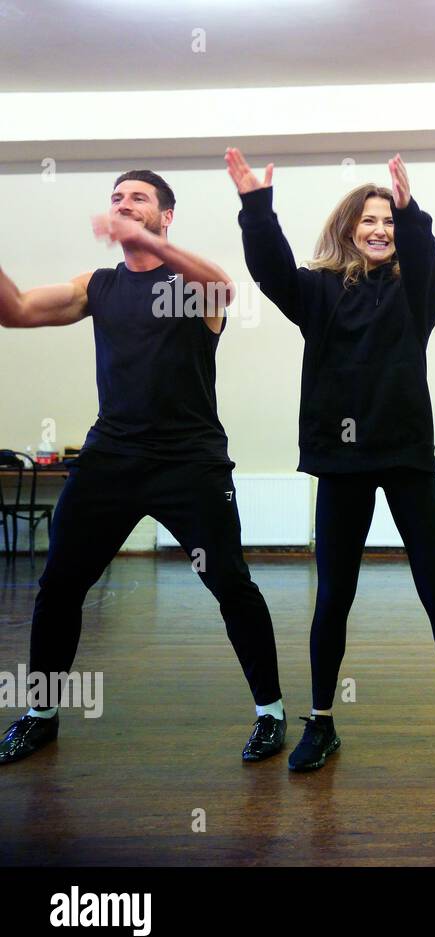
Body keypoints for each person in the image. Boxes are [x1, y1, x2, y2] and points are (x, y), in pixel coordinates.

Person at [0, 170, 286, 764]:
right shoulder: (98, 286)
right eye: (117, 199)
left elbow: (224, 288)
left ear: (166, 217)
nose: (124, 205)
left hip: (190, 463)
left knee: (230, 584)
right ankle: (41, 713)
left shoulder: (189, 286)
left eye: (138, 199)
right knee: (59, 586)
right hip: (111, 460)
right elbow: (18, 309)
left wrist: (149, 245)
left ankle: (271, 713)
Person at [227, 149, 435, 771]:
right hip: (340, 462)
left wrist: (412, 210)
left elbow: (428, 263)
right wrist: (256, 209)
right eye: (368, 220)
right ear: (349, 229)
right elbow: (270, 274)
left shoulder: (415, 295)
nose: (380, 229)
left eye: (389, 221)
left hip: (404, 456)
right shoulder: (318, 293)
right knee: (333, 596)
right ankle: (321, 721)